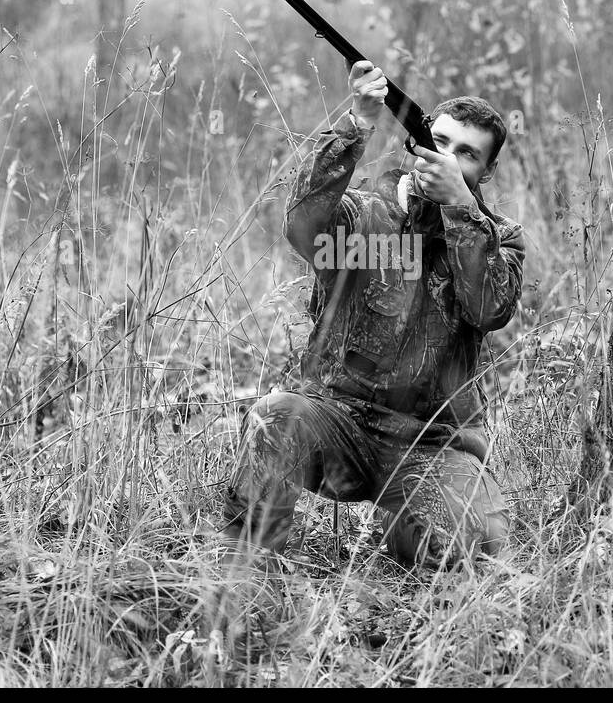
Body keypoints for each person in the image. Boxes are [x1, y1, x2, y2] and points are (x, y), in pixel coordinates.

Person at [218, 60, 526, 570]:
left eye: (466, 154)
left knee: (480, 548)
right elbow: (301, 224)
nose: (446, 158)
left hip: (432, 442)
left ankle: (403, 525)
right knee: (276, 416)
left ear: (486, 172)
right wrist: (358, 121)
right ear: (416, 142)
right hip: (337, 420)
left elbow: (488, 308)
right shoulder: (360, 216)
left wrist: (460, 209)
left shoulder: (499, 236)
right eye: (439, 141)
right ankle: (244, 572)